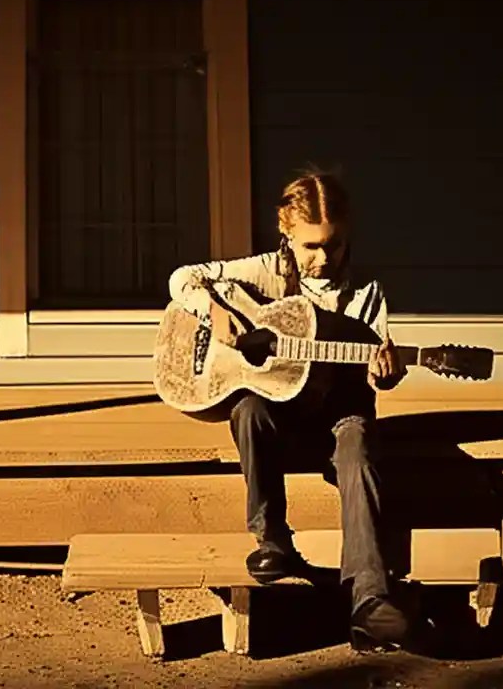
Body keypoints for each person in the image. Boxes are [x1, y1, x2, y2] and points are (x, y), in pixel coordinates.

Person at [166, 170, 413, 651]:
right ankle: (272, 538)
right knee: (248, 410)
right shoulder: (264, 273)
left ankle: (370, 599)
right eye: (311, 247)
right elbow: (182, 279)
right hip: (281, 413)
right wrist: (215, 314)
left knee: (359, 452)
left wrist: (384, 374)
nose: (324, 258)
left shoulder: (367, 295)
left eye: (334, 245)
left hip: (340, 414)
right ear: (287, 236)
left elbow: (374, 372)